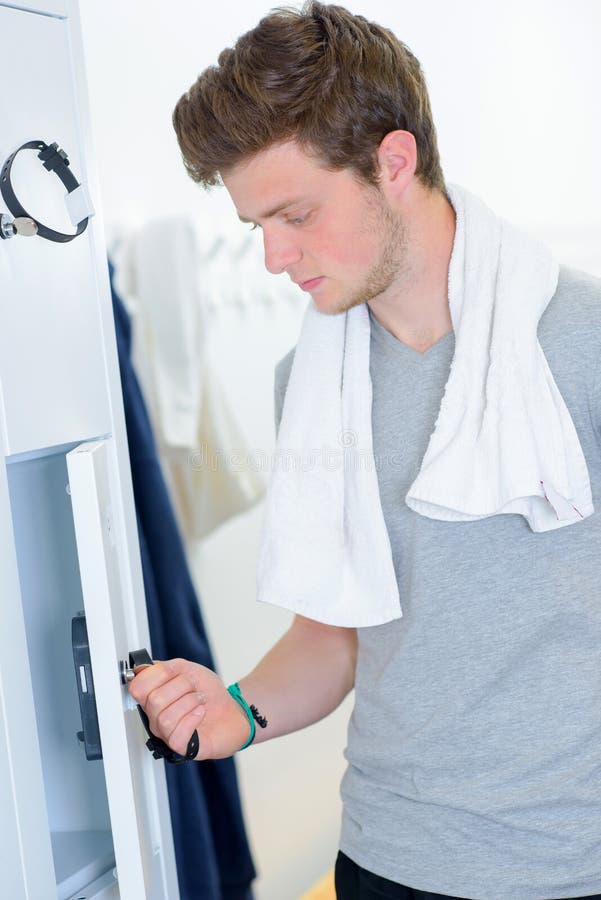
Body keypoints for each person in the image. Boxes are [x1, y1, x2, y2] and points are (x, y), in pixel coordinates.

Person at [128, 3, 601, 898]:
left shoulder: (580, 341)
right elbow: (336, 636)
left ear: (392, 160)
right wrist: (233, 712)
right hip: (386, 857)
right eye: (254, 225)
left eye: (295, 213)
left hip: (570, 865)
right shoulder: (308, 386)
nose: (274, 257)